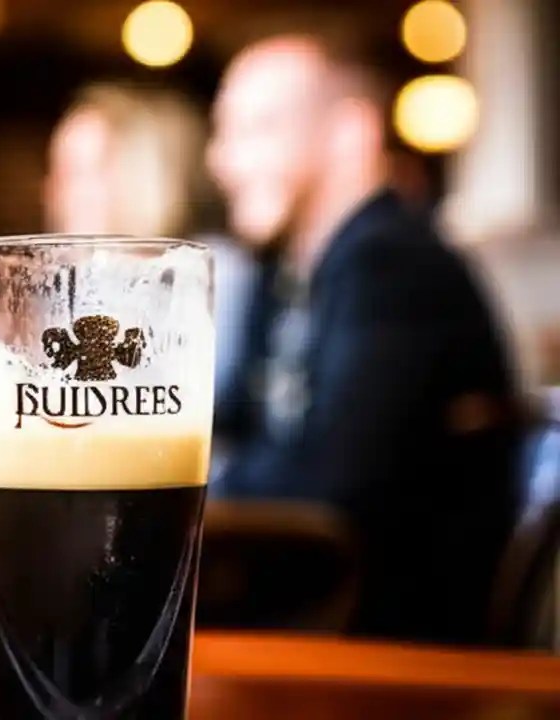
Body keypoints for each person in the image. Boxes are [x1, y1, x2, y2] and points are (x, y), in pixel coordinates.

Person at [207, 34, 520, 643]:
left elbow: (337, 483)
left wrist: (195, 489)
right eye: (224, 132)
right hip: (300, 606)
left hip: (385, 636)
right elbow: (229, 426)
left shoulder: (392, 262)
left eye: (258, 128)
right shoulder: (287, 269)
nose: (224, 159)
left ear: (351, 133)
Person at [43, 82, 251, 393]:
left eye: (83, 172)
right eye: (57, 172)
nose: (56, 191)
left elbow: (201, 395)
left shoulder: (212, 270)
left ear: (141, 173)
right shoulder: (72, 282)